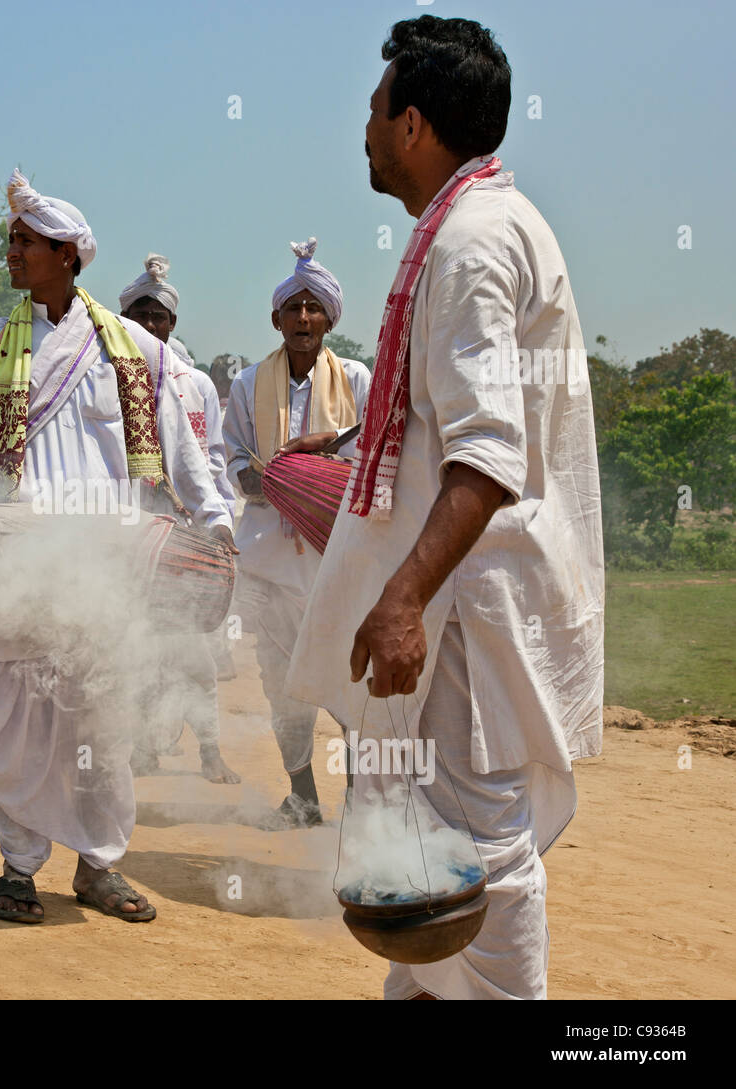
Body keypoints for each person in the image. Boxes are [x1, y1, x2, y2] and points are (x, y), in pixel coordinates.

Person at [285, 14, 603, 1000]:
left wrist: (404, 598)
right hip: (460, 598)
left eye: (376, 111)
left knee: (481, 860)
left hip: (467, 605)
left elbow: (487, 454)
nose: (367, 131)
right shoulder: (470, 227)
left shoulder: (469, 242)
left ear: (413, 122)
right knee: (429, 853)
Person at [0, 170, 234, 924]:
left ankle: (100, 866)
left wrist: (217, 521)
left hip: (105, 569)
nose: (11, 254)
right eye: (11, 242)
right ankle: (18, 865)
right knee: (14, 718)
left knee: (102, 720)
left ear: (68, 254)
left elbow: (183, 451)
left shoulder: (133, 347)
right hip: (13, 562)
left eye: (24, 243)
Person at [223, 239, 371, 827]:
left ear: (330, 318)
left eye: (314, 308)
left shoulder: (357, 379)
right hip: (270, 562)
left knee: (351, 685)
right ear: (276, 318)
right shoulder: (247, 383)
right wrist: (269, 483)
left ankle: (363, 799)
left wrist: (314, 471)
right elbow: (231, 460)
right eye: (294, 308)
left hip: (340, 561)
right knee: (281, 683)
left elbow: (375, 456)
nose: (304, 318)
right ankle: (303, 794)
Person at [118, 254, 240, 784]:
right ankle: (140, 748)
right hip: (128, 536)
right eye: (141, 314)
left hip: (187, 536)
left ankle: (210, 752)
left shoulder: (198, 385)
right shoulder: (108, 379)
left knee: (194, 656)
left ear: (172, 324)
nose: (151, 325)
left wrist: (215, 519)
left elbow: (212, 457)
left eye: (159, 316)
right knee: (134, 649)